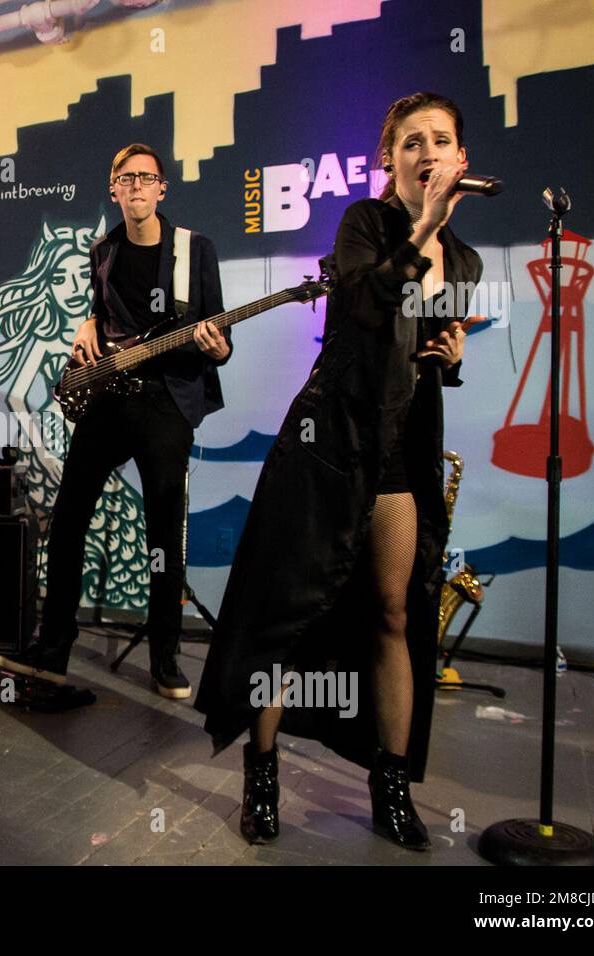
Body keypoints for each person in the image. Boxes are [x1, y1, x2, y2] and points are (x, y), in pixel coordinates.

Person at [194, 92, 483, 850]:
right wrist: (423, 229)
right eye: (410, 142)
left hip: (398, 452)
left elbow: (429, 345)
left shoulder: (470, 259)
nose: (426, 153)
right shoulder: (366, 223)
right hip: (329, 446)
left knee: (393, 614)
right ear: (390, 159)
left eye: (440, 141)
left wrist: (452, 359)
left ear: (462, 161)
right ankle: (261, 774)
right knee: (290, 615)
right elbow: (361, 306)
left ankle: (390, 792)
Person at [0, 143, 233, 700]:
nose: (136, 188)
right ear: (114, 189)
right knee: (69, 518)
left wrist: (218, 350)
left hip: (165, 402)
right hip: (109, 397)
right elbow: (105, 313)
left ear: (162, 188)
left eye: (146, 178)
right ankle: (52, 650)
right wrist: (86, 323)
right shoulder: (102, 250)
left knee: (162, 534)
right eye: (125, 178)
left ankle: (166, 657)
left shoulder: (195, 250)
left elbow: (221, 339)